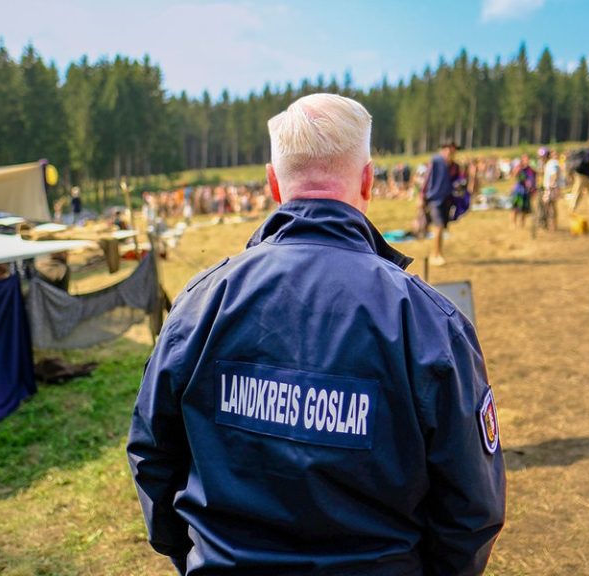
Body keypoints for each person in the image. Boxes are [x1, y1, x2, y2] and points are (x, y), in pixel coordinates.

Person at [127, 93, 506, 575]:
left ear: (272, 183)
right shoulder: (429, 322)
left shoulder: (200, 304)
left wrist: (192, 557)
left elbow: (152, 455)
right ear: (368, 180)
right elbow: (471, 509)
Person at [420, 141, 459, 266]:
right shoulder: (436, 161)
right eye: (449, 150)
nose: (451, 153)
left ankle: (439, 253)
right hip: (434, 199)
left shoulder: (454, 166)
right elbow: (427, 179)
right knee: (439, 226)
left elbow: (456, 182)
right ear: (444, 150)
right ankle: (434, 255)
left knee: (441, 228)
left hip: (447, 200)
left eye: (453, 151)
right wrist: (422, 196)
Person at [570, 138, 589, 212]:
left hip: (579, 173)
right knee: (578, 191)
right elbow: (587, 162)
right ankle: (573, 207)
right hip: (582, 174)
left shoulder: (584, 150)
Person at [510, 153, 537, 228]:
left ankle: (522, 224)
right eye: (525, 159)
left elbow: (534, 180)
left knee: (524, 209)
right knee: (515, 208)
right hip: (518, 191)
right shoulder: (519, 168)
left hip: (527, 192)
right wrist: (518, 169)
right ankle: (513, 223)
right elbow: (514, 175)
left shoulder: (531, 170)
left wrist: (534, 190)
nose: (526, 161)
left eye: (527, 159)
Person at [541, 151, 564, 232]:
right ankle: (551, 225)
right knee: (551, 206)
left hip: (551, 188)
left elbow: (554, 174)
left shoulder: (551, 163)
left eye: (542, 156)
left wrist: (551, 184)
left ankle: (551, 225)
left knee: (550, 206)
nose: (541, 158)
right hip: (552, 188)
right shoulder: (551, 163)